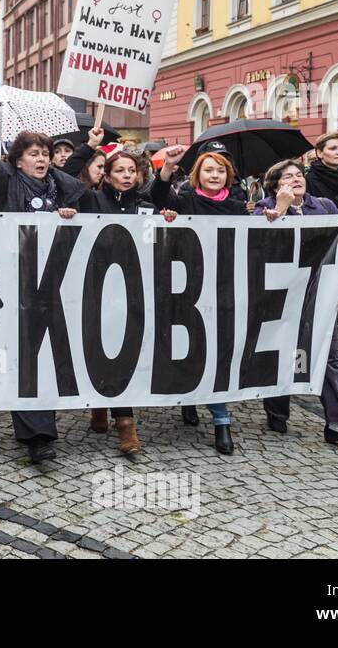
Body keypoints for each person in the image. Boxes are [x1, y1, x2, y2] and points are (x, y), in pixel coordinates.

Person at [0, 86, 83, 463]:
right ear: (17, 161)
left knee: (44, 359)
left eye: (46, 153)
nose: (42, 159)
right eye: (34, 153)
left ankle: (39, 429)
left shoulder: (61, 190)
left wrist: (66, 218)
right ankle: (36, 435)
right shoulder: (4, 185)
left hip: (51, 285)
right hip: (15, 284)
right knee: (24, 359)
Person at [255, 159, 338, 446]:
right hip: (279, 295)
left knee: (326, 355)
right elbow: (255, 240)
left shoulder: (325, 205)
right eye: (288, 176)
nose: (296, 179)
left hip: (319, 293)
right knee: (282, 352)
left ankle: (336, 423)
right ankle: (276, 411)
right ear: (276, 184)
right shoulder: (264, 206)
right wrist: (280, 209)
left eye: (299, 174)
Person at [74, 149, 176, 456]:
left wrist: (166, 217)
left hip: (132, 290)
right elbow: (68, 179)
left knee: (124, 352)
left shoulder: (144, 204)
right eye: (119, 170)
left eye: (132, 170)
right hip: (97, 287)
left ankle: (125, 422)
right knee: (98, 349)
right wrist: (88, 149)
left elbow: (161, 202)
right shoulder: (92, 200)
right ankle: (102, 407)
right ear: (106, 174)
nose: (127, 176)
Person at [149, 142, 245, 455]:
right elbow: (159, 197)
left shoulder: (238, 205)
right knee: (192, 346)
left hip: (224, 287)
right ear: (197, 175)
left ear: (228, 175)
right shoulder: (187, 200)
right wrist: (167, 170)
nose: (214, 175)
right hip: (189, 286)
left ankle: (221, 419)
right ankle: (189, 396)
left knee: (218, 352)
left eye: (220, 170)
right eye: (208, 170)